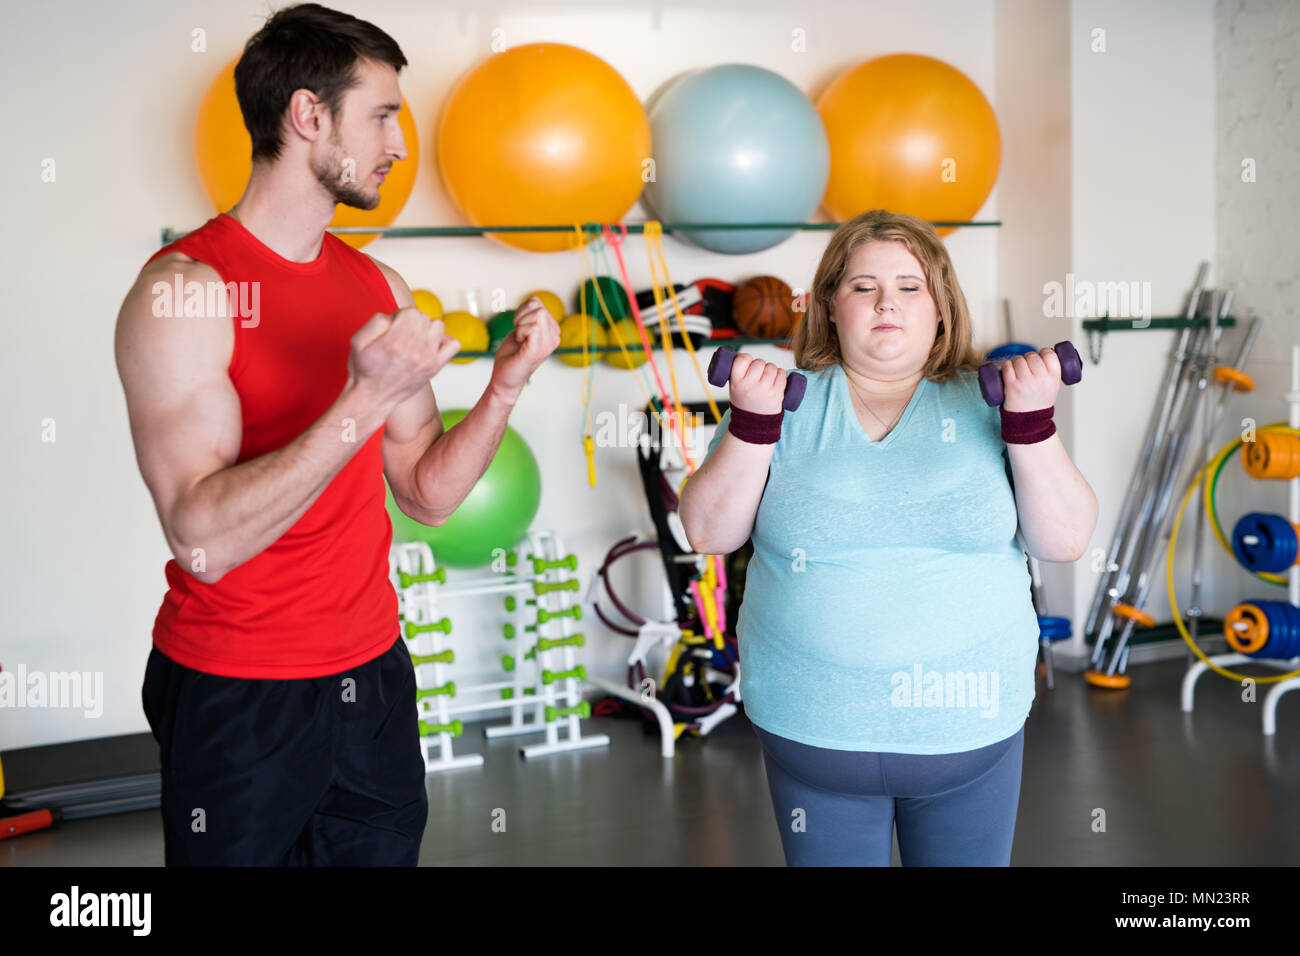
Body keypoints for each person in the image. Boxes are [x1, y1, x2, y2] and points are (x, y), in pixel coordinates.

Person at [113, 3, 560, 865]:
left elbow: (426, 495)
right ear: (309, 116)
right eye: (383, 115)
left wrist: (504, 387)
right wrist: (366, 396)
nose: (400, 145)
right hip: (238, 687)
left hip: (373, 676)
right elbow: (203, 538)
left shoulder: (378, 284)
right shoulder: (187, 292)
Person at [679, 209, 1097, 866]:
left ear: (941, 307)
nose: (886, 304)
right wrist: (751, 426)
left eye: (909, 286)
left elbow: (1065, 541)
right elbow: (707, 533)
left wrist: (1033, 422)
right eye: (863, 286)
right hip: (813, 731)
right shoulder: (782, 403)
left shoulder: (993, 403)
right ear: (830, 305)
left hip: (971, 730)